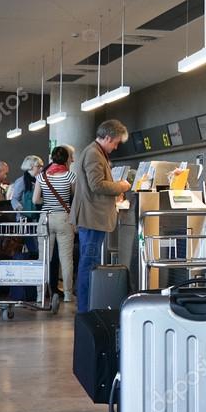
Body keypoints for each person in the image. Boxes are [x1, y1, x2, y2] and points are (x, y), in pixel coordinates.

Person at [71, 120, 131, 313]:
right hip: (92, 218)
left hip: (93, 217)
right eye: (115, 143)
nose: (115, 147)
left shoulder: (95, 152)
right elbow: (97, 184)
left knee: (90, 262)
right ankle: (85, 309)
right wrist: (120, 186)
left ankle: (87, 305)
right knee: (88, 263)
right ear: (107, 137)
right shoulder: (93, 154)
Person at [34, 145, 76, 306]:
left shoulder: (42, 176)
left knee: (43, 259)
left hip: (45, 218)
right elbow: (75, 197)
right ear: (66, 159)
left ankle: (40, 294)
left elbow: (35, 200)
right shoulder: (70, 176)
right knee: (66, 259)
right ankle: (67, 295)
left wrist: (48, 202)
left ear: (51, 158)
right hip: (64, 218)